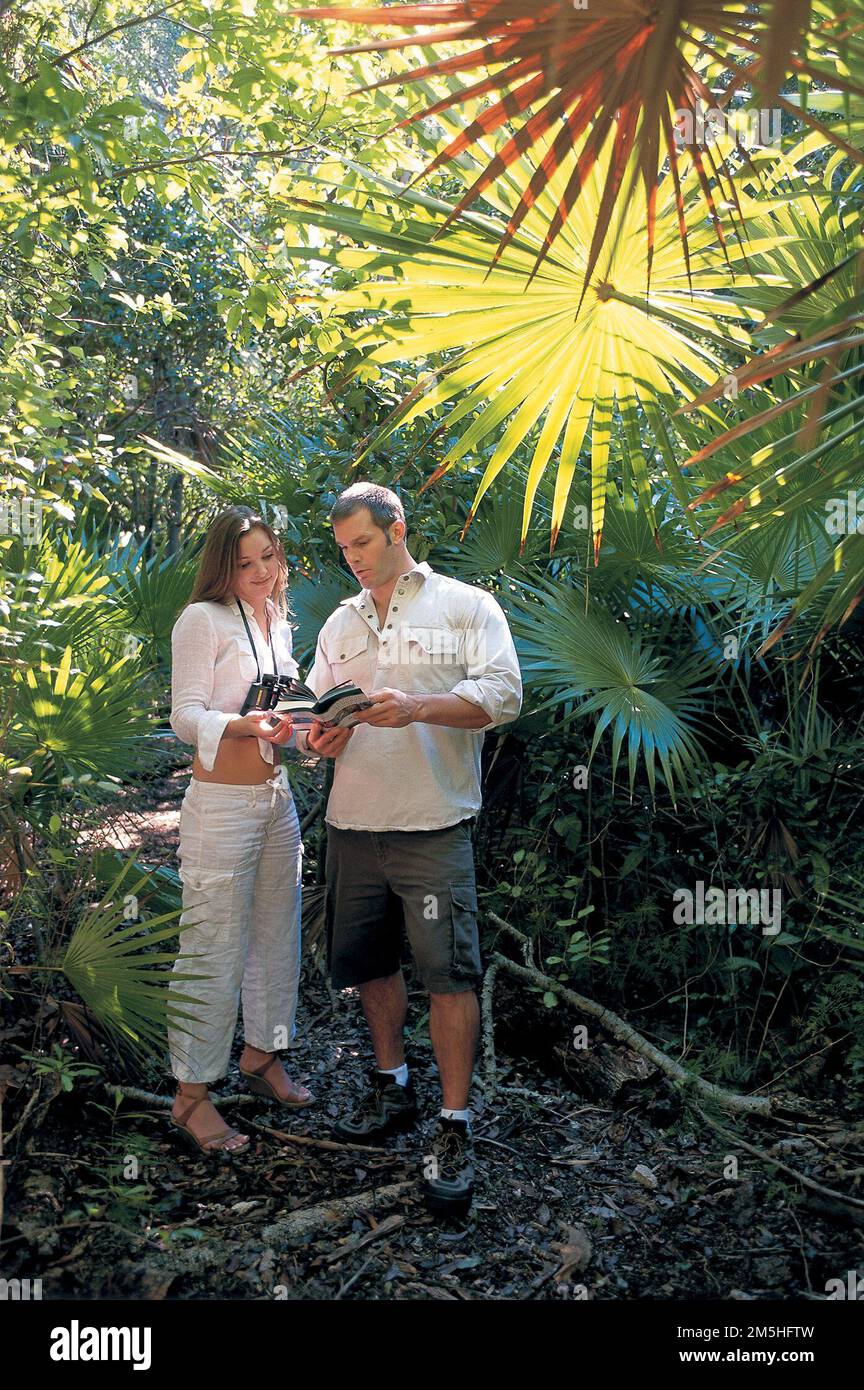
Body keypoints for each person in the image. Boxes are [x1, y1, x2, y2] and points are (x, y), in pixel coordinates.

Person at [296, 482, 522, 1213]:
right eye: (343, 549)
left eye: (362, 543)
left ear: (397, 530)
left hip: (432, 826)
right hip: (352, 823)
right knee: (370, 966)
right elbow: (312, 715)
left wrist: (418, 707)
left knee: (450, 975)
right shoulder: (339, 622)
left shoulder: (465, 605)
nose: (353, 559)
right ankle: (392, 1085)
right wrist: (316, 737)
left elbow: (505, 696)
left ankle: (453, 1124)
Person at [168, 505, 328, 1154]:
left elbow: (276, 713)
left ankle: (263, 1056)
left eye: (269, 557)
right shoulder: (200, 620)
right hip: (221, 808)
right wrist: (242, 727)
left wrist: (306, 731)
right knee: (212, 948)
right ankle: (190, 1098)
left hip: (274, 799)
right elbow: (184, 718)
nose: (261, 572)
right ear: (223, 567)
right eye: (245, 563)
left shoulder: (276, 621)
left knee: (277, 933)